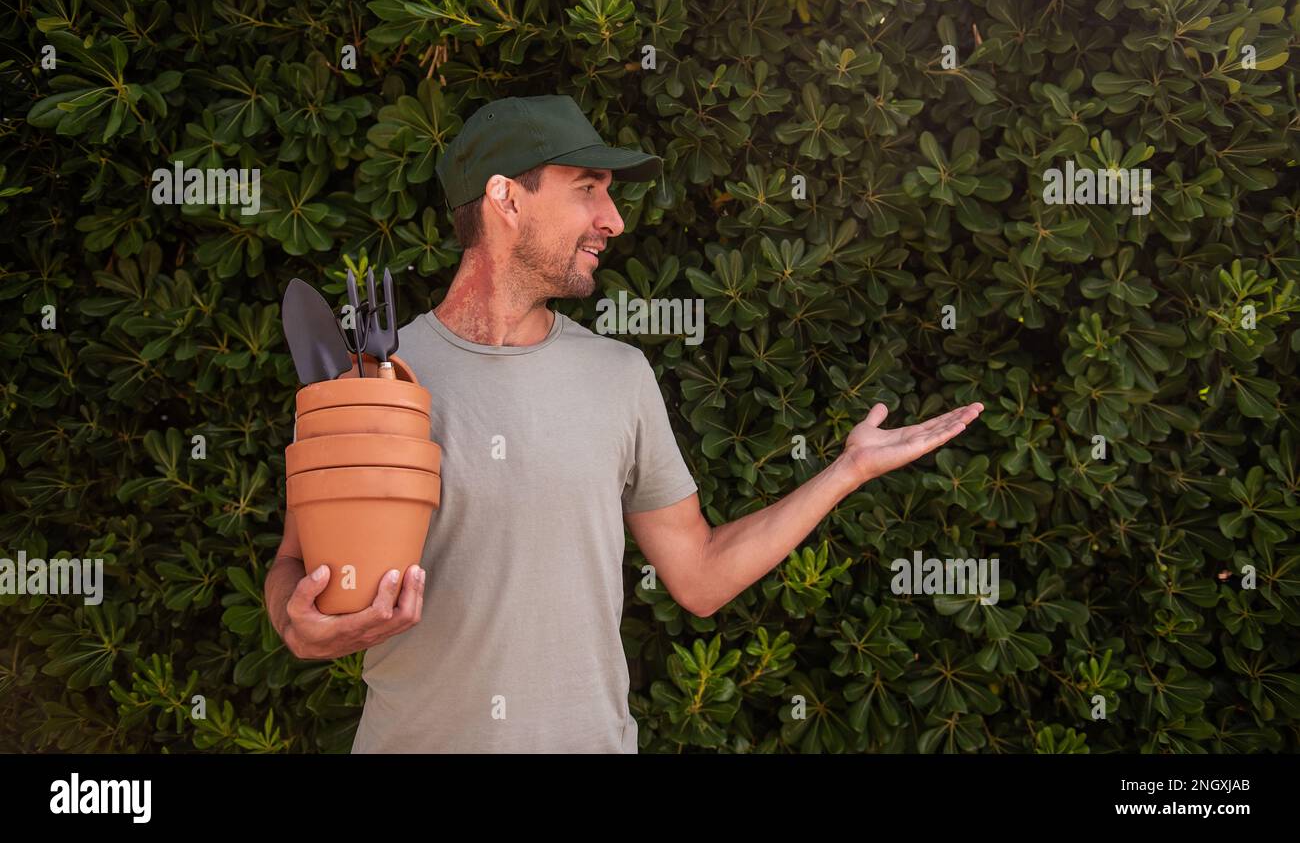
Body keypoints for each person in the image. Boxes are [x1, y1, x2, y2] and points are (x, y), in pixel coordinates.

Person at [265, 94, 984, 752]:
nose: (614, 220)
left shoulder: (619, 377)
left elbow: (699, 577)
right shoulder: (370, 379)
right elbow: (294, 569)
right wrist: (299, 623)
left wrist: (847, 470)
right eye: (587, 190)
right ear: (505, 198)